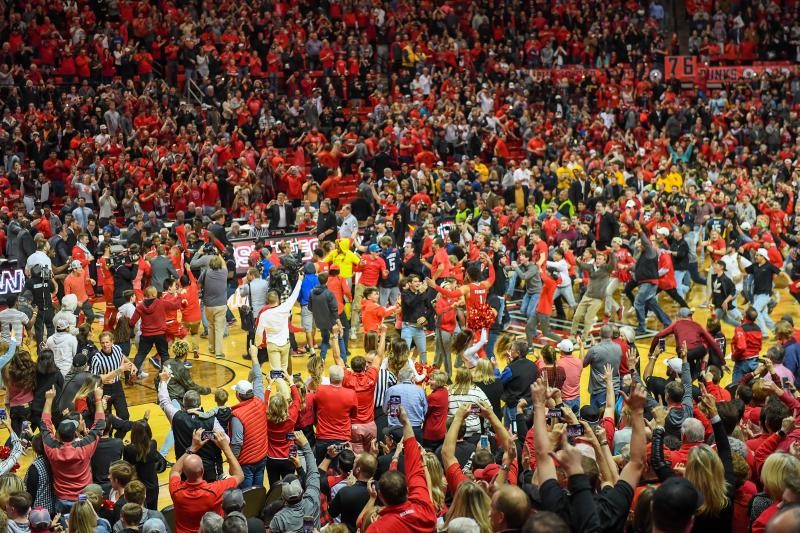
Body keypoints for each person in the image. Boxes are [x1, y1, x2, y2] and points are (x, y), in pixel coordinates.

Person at [359, 407, 437, 531]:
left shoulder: (378, 529)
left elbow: (359, 523)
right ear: (407, 490)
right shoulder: (425, 511)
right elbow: (415, 468)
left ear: (381, 496)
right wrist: (406, 422)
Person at [40, 382, 105, 512]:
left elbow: (44, 425)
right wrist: (98, 399)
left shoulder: (52, 448)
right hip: (83, 497)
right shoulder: (84, 447)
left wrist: (48, 400)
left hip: (62, 498)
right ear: (75, 432)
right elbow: (99, 425)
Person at [168, 429, 244, 533]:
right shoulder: (215, 490)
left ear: (184, 473)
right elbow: (239, 475)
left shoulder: (176, 490)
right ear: (202, 471)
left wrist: (193, 448)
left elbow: (175, 471)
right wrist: (225, 447)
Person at [228, 346, 268, 488]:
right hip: (262, 456)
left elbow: (237, 444)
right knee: (259, 491)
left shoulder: (237, 416)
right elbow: (258, 377)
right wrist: (254, 356)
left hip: (246, 463)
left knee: (247, 496)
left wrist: (232, 463)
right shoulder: (259, 400)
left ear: (238, 395)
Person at [648, 308, 724, 379]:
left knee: (683, 373)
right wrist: (723, 362)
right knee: (705, 349)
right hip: (698, 352)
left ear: (680, 316)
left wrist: (651, 351)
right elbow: (713, 343)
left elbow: (658, 336)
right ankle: (702, 370)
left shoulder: (676, 324)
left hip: (684, 354)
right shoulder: (697, 325)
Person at [267, 430, 320, 532]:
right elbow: (313, 473)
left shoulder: (279, 520)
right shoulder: (312, 500)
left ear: (283, 497)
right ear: (302, 491)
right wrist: (305, 445)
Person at [253, 273, 303, 372]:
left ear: (267, 300)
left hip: (272, 345)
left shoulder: (264, 314)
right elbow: (295, 294)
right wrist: (300, 279)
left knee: (276, 372)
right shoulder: (285, 308)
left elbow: (258, 333)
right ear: (279, 300)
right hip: (285, 344)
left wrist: (257, 344)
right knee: (284, 371)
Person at [311, 361, 356, 461]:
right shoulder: (351, 394)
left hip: (323, 437)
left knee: (321, 470)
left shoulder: (320, 390)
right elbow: (353, 415)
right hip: (342, 439)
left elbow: (314, 409)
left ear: (330, 378)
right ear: (342, 378)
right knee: (340, 471)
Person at [130, 286, 182, 371]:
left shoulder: (140, 306)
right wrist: (179, 295)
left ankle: (132, 374)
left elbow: (132, 322)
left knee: (141, 354)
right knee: (164, 355)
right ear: (154, 294)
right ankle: (166, 375)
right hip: (160, 334)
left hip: (146, 335)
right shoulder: (161, 302)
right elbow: (176, 305)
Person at [123, 420, 162, 511]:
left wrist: (129, 446)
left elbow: (127, 467)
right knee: (153, 511)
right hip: (153, 485)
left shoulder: (129, 449)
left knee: (138, 513)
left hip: (137, 487)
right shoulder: (153, 444)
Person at [383, 366, 428, 441]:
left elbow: (385, 410)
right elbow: (425, 411)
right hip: (415, 429)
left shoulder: (392, 390)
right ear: (412, 378)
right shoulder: (420, 391)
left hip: (395, 429)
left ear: (399, 377)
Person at [583, 324, 622, 408]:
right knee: (612, 416)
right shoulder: (618, 348)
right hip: (614, 388)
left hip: (599, 390)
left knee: (597, 417)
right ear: (611, 334)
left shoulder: (594, 350)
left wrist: (583, 347)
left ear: (599, 334)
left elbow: (583, 364)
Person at [199, 254, 229, 359]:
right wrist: (219, 255)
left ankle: (211, 348)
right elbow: (224, 265)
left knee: (211, 326)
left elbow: (199, 284)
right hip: (221, 305)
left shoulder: (205, 272)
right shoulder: (224, 272)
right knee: (219, 329)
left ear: (210, 264)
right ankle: (219, 353)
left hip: (208, 305)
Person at [746, 248, 780, 335]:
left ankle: (764, 333)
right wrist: (738, 261)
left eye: (757, 255)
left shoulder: (769, 266)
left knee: (755, 311)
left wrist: (776, 286)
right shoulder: (755, 265)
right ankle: (776, 331)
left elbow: (780, 273)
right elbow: (744, 270)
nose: (755, 256)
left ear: (763, 256)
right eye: (756, 255)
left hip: (765, 294)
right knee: (764, 315)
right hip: (756, 294)